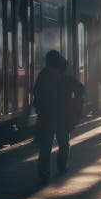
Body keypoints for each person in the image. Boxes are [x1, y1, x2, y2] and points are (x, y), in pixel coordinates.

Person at [32, 51, 82, 184]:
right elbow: (81, 89)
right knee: (64, 144)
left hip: (46, 118)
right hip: (62, 117)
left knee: (45, 146)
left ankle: (43, 172)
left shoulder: (42, 75)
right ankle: (62, 167)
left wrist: (40, 110)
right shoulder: (64, 77)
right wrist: (72, 102)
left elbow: (36, 94)